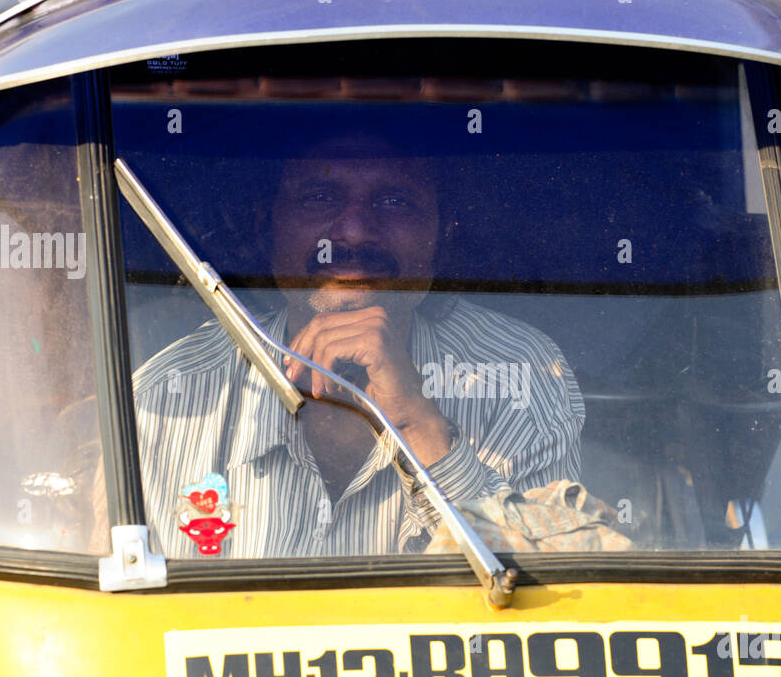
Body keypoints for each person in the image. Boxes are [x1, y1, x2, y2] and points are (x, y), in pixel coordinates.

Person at [131, 131, 584, 558]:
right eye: (319, 197)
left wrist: (418, 424)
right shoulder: (168, 396)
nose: (354, 233)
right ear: (265, 227)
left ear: (441, 233)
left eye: (394, 201)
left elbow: (554, 596)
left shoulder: (520, 378)